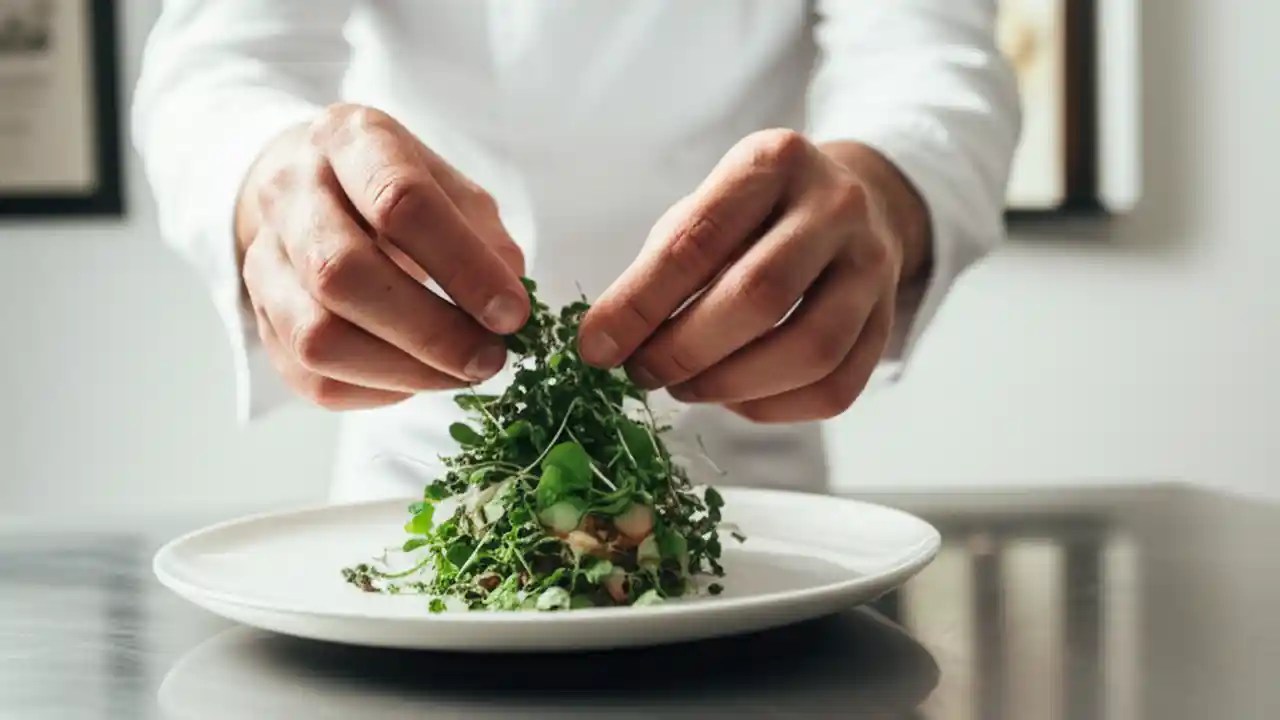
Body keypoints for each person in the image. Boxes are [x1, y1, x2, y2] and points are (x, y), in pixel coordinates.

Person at [132, 1, 1019, 501]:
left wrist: (879, 195)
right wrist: (272, 184)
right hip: (422, 460)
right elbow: (216, 63)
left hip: (741, 469)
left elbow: (933, 56)